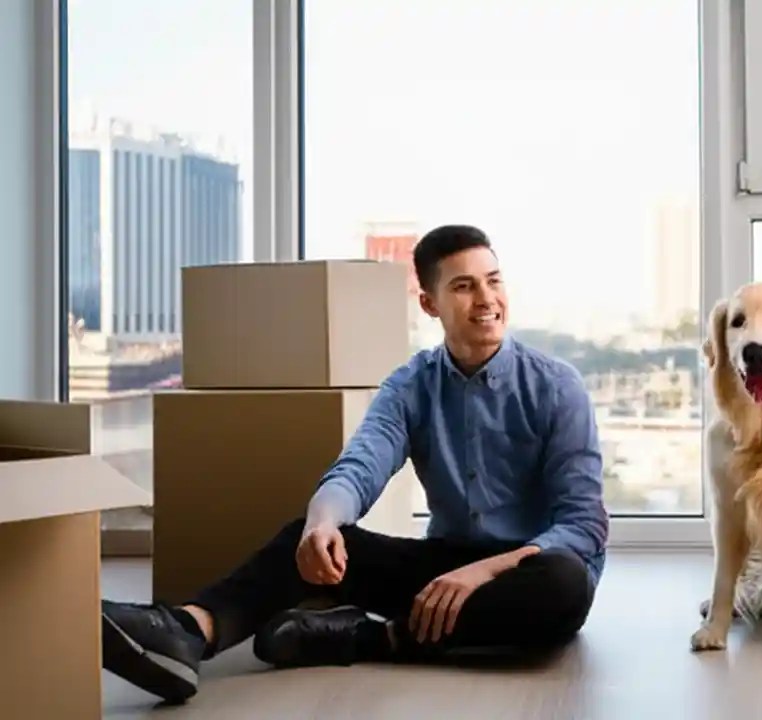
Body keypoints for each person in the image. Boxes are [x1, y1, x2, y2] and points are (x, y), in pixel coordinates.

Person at [101, 225, 609, 704]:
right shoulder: (410, 385)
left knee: (561, 587)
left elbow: (583, 526)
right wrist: (324, 522)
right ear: (430, 303)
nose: (486, 300)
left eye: (493, 281)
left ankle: (367, 637)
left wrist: (482, 572)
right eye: (464, 286)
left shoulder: (557, 386)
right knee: (307, 534)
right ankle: (188, 631)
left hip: (528, 571)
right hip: (442, 571)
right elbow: (360, 466)